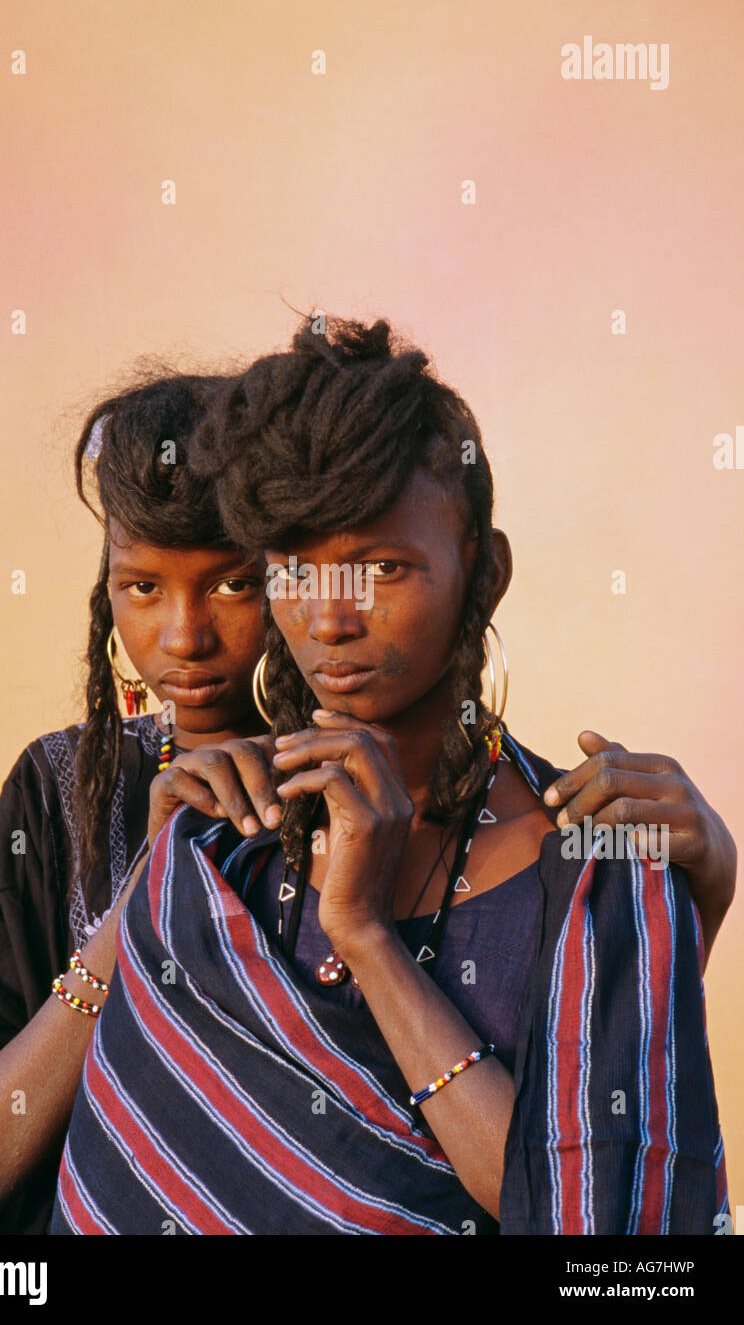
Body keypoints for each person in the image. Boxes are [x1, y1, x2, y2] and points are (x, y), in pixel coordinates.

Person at [52, 317, 733, 1236]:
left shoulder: (597, 865)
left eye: (382, 567)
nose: (331, 620)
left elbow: (601, 1238)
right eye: (294, 568)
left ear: (483, 574)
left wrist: (364, 934)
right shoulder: (219, 847)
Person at [0, 371, 270, 1234]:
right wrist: (144, 896)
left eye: (231, 585)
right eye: (143, 587)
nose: (183, 637)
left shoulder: (364, 792)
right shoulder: (63, 790)